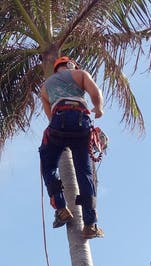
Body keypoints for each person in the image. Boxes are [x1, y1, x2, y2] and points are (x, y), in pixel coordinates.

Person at [39, 55, 105, 239]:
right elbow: (95, 92)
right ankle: (90, 224)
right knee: (84, 173)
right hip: (80, 122)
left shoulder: (44, 88)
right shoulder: (80, 74)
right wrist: (98, 108)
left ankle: (61, 209)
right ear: (70, 65)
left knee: (48, 163)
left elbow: (49, 117)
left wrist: (59, 135)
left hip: (58, 122)